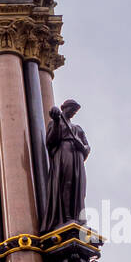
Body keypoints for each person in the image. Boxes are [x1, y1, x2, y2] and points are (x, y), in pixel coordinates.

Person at [41, 100, 90, 233]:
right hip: (64, 154)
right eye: (72, 109)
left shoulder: (78, 129)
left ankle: (78, 217)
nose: (74, 112)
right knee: (66, 184)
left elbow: (87, 147)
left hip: (77, 158)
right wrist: (56, 122)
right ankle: (66, 217)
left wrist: (81, 145)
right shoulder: (55, 122)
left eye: (76, 110)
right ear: (64, 108)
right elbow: (51, 141)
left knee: (78, 187)